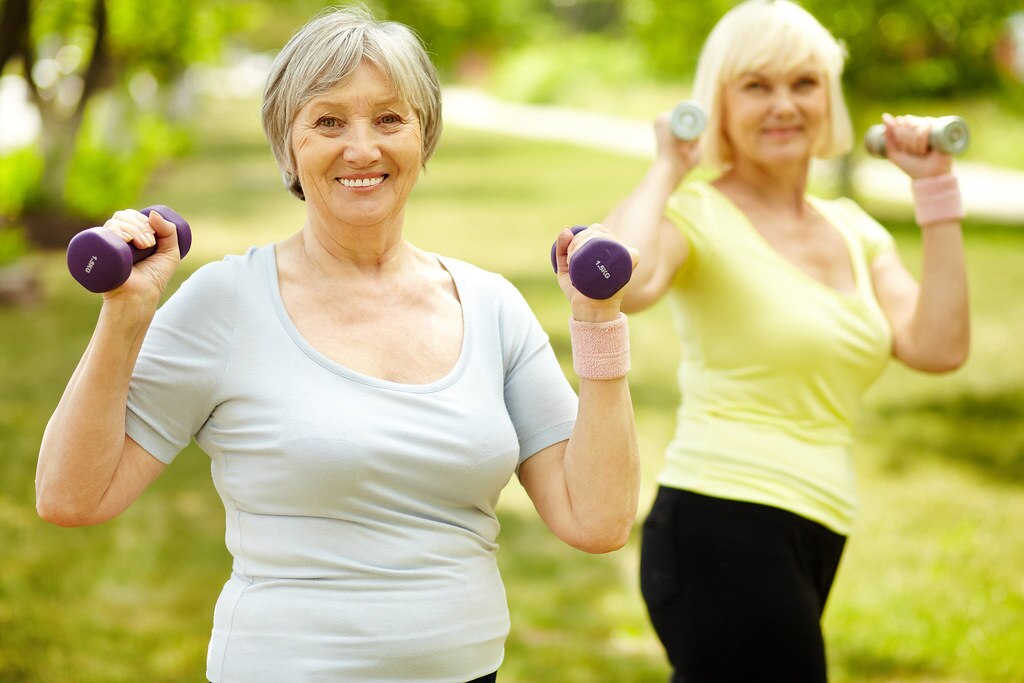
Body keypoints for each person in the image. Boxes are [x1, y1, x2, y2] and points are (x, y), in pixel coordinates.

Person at [34, 6, 641, 682]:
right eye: (327, 121)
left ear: (423, 135)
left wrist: (598, 325)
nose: (362, 148)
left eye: (389, 118)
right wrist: (125, 318)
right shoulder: (228, 302)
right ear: (288, 143)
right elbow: (71, 497)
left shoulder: (490, 305)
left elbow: (597, 520)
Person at [602, 1, 970, 681]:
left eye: (803, 84)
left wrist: (937, 193)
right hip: (722, 520)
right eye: (756, 86)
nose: (784, 105)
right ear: (717, 102)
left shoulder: (854, 228)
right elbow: (618, 282)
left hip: (815, 525)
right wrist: (668, 166)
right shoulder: (700, 213)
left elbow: (938, 346)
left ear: (828, 97)